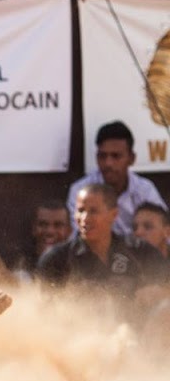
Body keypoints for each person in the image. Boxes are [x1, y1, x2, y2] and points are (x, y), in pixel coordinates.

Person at [37, 182, 169, 305]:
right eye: (81, 210)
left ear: (114, 214)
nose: (85, 218)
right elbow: (44, 310)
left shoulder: (140, 251)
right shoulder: (57, 259)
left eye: (93, 211)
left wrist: (160, 293)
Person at [68, 121, 167, 237]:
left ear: (132, 159)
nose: (108, 163)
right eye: (103, 156)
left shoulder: (144, 189)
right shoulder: (81, 190)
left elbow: (163, 230)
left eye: (116, 156)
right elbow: (77, 236)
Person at [14, 200, 73, 279]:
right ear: (34, 229)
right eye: (43, 224)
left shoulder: (78, 263)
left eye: (58, 225)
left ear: (69, 231)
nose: (50, 231)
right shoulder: (19, 261)